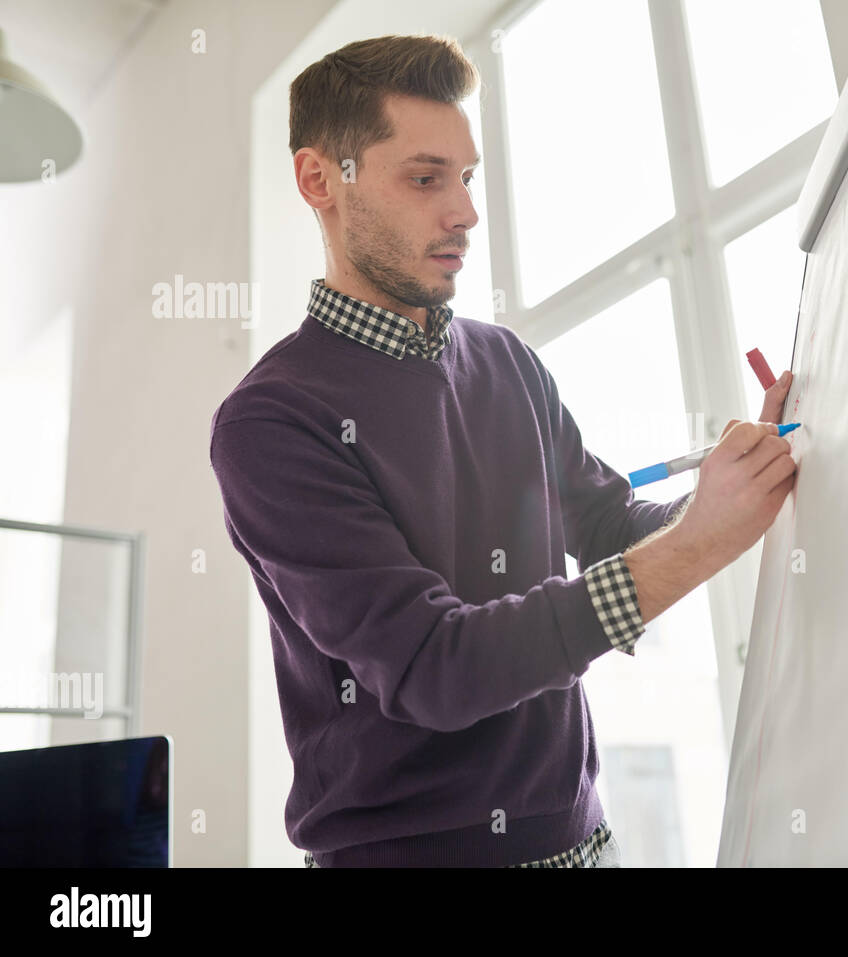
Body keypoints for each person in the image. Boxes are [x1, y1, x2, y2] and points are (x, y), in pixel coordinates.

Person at [209, 33, 797, 868]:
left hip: (584, 842)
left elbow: (610, 525)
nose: (465, 211)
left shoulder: (507, 362)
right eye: (425, 178)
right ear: (319, 181)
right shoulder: (271, 423)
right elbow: (436, 668)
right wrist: (703, 541)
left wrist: (747, 485)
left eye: (467, 176)